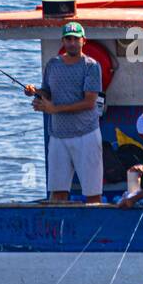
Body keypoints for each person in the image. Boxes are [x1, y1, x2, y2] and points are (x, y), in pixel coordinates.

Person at [23, 21, 104, 204]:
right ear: (63, 41)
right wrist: (35, 91)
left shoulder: (91, 66)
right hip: (58, 136)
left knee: (93, 194)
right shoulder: (53, 64)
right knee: (57, 193)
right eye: (68, 39)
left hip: (86, 135)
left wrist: (54, 109)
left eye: (76, 39)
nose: (72, 43)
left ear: (84, 40)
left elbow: (89, 102)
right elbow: (48, 92)